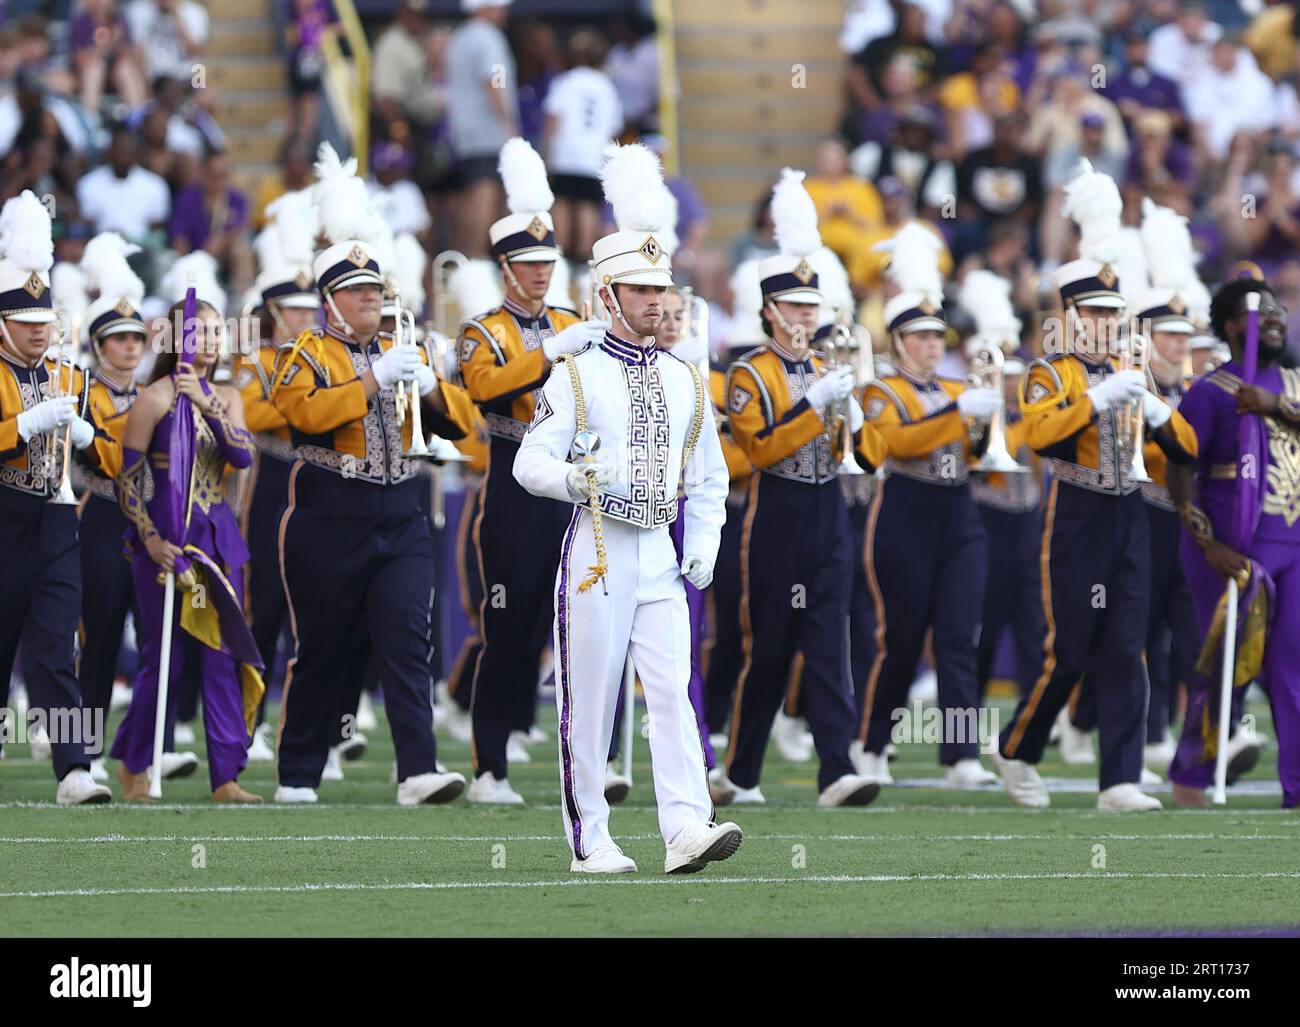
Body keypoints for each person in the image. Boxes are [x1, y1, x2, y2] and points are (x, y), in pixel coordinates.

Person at [513, 141, 742, 874]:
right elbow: (528, 463)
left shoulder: (686, 379)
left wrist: (702, 543)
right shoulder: (575, 374)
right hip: (597, 551)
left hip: (660, 556)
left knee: (673, 689)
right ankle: (592, 837)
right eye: (640, 290)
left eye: (660, 288)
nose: (656, 300)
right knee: (592, 695)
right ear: (608, 295)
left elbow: (709, 477)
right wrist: (576, 479)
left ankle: (685, 827)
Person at [993, 161, 1197, 812]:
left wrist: (1166, 417)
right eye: (1096, 313)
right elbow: (1041, 433)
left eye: (1114, 313)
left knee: (1128, 644)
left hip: (1129, 514)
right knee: (1071, 649)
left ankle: (1119, 779)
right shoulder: (1049, 371)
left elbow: (1189, 449)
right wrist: (1097, 397)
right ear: (1072, 314)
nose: (1107, 324)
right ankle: (1016, 748)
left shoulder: (1135, 370)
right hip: (1076, 511)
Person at [270, 144, 468, 806]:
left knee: (408, 638)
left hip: (401, 507)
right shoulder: (304, 351)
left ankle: (417, 769)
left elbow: (460, 426)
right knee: (323, 649)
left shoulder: (401, 345)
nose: (370, 302)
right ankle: (298, 771)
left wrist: (432, 383)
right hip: (329, 510)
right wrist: (372, 378)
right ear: (329, 301)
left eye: (375, 291)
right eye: (356, 293)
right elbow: (302, 411)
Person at [714, 169, 883, 809]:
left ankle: (836, 768)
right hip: (779, 512)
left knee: (828, 639)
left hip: (829, 510)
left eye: (812, 308)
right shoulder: (748, 373)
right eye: (795, 309)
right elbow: (761, 449)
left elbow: (863, 457)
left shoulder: (827, 368)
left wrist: (859, 418)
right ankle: (742, 770)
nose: (805, 318)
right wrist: (815, 404)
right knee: (772, 649)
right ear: (769, 312)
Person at [457, 137, 599, 804]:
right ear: (504, 267)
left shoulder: (575, 318)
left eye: (547, 260)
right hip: (514, 477)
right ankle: (489, 762)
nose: (541, 273)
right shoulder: (483, 330)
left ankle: (543, 738)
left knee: (561, 623)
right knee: (507, 623)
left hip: (569, 478)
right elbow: (486, 387)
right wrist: (549, 353)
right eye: (527, 263)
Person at [856, 224, 1002, 788]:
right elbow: (899, 443)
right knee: (904, 637)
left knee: (959, 633)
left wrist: (987, 428)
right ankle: (873, 742)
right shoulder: (881, 390)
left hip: (959, 511)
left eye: (938, 336)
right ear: (897, 342)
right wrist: (961, 415)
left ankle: (961, 753)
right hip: (906, 512)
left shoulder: (958, 388)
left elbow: (980, 456)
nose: (933, 345)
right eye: (919, 337)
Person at [109, 292, 263, 803]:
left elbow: (240, 456)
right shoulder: (152, 399)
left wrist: (206, 401)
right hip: (166, 547)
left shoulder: (230, 396)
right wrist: (150, 539)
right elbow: (129, 482)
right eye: (200, 333)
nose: (212, 343)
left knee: (220, 655)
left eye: (219, 333)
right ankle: (135, 763)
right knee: (166, 659)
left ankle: (226, 777)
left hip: (215, 545)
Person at [1166, 273, 1299, 810]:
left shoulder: (1290, 384)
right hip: (1230, 550)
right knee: (1227, 662)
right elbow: (1179, 471)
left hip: (1293, 544)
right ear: (1230, 325)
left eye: (1278, 311)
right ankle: (1191, 777)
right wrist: (1206, 543)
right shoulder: (1208, 393)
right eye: (1260, 311)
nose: (1274, 318)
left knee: (1292, 667)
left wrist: (1274, 407)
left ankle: (1297, 785)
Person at [0, 191, 111, 804]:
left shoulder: (73, 373)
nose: (38, 333)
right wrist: (23, 426)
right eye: (25, 323)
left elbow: (107, 458)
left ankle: (74, 768)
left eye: (44, 322)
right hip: (4, 512)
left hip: (57, 517)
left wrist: (92, 440)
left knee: (55, 642)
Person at [234, 188, 321, 761]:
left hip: (315, 479)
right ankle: (249, 722)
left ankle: (316, 729)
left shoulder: (320, 354)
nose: (307, 318)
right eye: (296, 310)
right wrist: (308, 408)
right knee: (263, 606)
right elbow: (247, 414)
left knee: (316, 608)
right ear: (272, 313)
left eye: (310, 309)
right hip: (270, 481)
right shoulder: (256, 361)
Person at [75, 232, 148, 779]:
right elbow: (111, 459)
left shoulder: (157, 392)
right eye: (118, 339)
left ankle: (145, 746)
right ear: (99, 346)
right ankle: (83, 748)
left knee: (154, 635)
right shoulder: (82, 393)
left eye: (136, 338)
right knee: (98, 635)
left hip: (152, 520)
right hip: (102, 515)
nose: (129, 347)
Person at [543, 27, 622, 263]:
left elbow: (553, 119)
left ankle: (560, 255)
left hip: (565, 154)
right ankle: (586, 257)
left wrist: (546, 152)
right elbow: (614, 125)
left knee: (562, 202)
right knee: (588, 205)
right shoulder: (607, 86)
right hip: (593, 156)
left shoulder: (565, 81)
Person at [446, 0, 518, 256]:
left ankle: (465, 259)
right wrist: (507, 121)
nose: (504, 11)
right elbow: (494, 79)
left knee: (471, 198)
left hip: (464, 131)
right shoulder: (489, 37)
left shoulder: (459, 37)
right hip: (488, 130)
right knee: (484, 197)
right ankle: (475, 261)